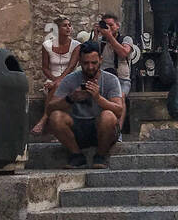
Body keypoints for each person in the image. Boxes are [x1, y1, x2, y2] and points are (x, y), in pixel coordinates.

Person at [46, 39, 125, 168]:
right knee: (56, 117)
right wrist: (70, 98)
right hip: (78, 128)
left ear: (101, 59)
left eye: (94, 63)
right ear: (80, 62)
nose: (90, 67)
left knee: (108, 116)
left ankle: (100, 156)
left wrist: (98, 98)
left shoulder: (111, 79)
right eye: (85, 63)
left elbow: (119, 110)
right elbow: (50, 109)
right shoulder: (70, 80)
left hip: (103, 130)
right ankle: (76, 155)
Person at [30, 15, 80, 136]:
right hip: (52, 78)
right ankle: (55, 128)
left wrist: (57, 82)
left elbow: (71, 67)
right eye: (64, 26)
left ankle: (43, 120)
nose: (68, 28)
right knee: (56, 87)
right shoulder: (47, 45)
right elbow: (45, 67)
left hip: (70, 78)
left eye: (69, 25)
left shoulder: (76, 45)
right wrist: (53, 80)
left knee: (57, 86)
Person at [90, 12, 134, 97]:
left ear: (117, 26)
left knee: (118, 98)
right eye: (106, 26)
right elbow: (90, 55)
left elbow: (123, 53)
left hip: (121, 80)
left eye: (111, 25)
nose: (108, 28)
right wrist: (95, 35)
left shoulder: (126, 39)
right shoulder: (100, 41)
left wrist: (109, 36)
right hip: (102, 78)